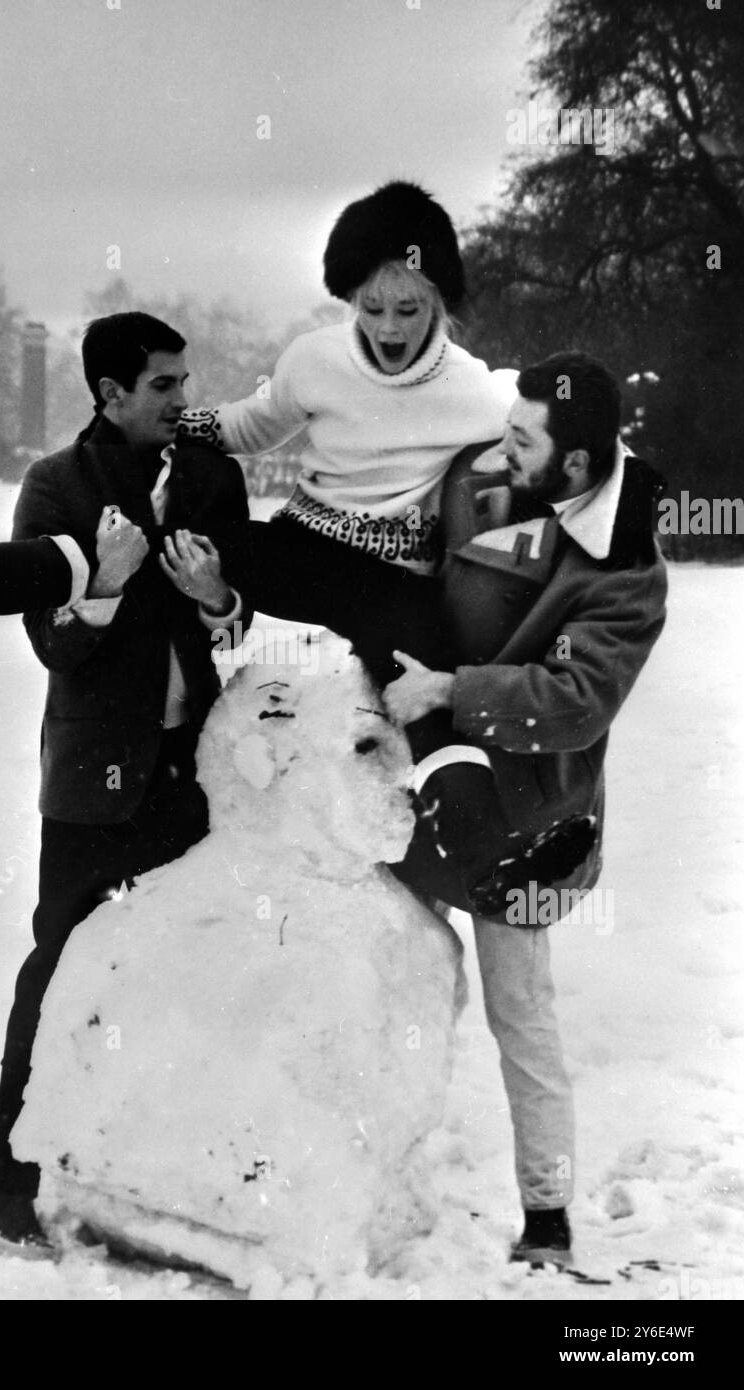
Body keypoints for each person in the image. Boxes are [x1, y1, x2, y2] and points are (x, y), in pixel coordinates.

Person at [0, 182, 597, 914]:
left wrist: (624, 486)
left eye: (408, 310)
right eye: (371, 307)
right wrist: (175, 422)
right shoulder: (313, 360)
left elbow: (569, 438)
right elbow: (250, 426)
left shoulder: (478, 391)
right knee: (163, 542)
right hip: (303, 544)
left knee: (424, 687)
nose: (387, 328)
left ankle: (491, 863)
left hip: (390, 578)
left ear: (441, 305)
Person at [0, 312, 252, 1257]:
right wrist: (106, 584)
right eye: (164, 385)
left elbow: (234, 619)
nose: (183, 400)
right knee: (55, 977)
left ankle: (149, 1184)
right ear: (109, 394)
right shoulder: (54, 487)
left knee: (186, 979)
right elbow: (54, 646)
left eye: (183, 380)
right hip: (94, 782)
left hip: (191, 778)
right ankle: (3, 1184)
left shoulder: (213, 478)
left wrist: (218, 600)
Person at [383, 351, 668, 1268]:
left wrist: (451, 690)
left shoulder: (624, 569)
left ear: (575, 467)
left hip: (528, 817)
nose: (499, 449)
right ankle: (367, 1179)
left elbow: (578, 698)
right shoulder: (487, 474)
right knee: (390, 977)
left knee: (521, 1012)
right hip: (423, 774)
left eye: (523, 439)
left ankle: (546, 1216)